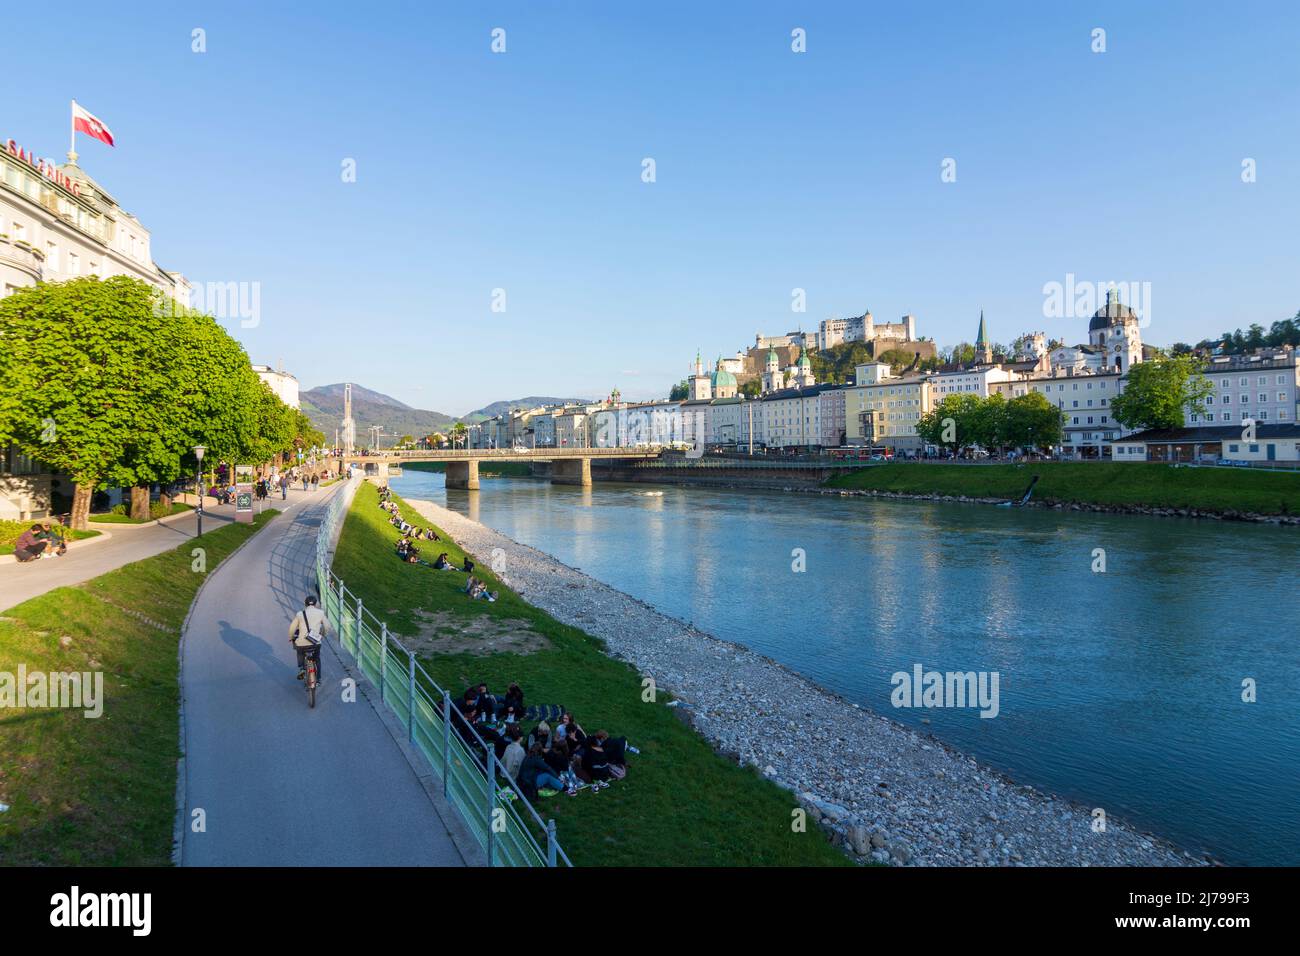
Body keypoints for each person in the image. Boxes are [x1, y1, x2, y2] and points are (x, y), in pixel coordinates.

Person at [288, 595, 328, 685]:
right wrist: (322, 635)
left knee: (299, 651)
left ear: (305, 604)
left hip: (302, 643)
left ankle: (302, 668)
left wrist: (291, 637)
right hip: (315, 642)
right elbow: (327, 626)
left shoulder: (299, 614)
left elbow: (292, 628)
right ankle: (318, 679)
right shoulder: (320, 613)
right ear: (316, 604)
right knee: (317, 658)